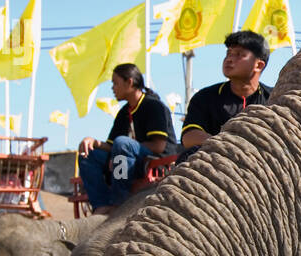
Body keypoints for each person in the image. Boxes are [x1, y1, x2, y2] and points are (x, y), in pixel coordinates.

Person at [78, 64, 179, 212]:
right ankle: (101, 205)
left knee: (122, 143)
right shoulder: (124, 112)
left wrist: (125, 147)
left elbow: (159, 146)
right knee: (88, 154)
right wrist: (93, 142)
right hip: (127, 160)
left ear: (129, 82)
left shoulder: (153, 106)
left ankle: (119, 202)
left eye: (115, 83)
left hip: (155, 163)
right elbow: (112, 146)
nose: (112, 88)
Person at [178, 31, 272, 159]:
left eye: (239, 55)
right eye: (228, 53)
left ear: (258, 65)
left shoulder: (273, 99)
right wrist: (225, 144)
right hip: (215, 162)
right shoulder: (206, 97)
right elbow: (189, 137)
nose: (229, 59)